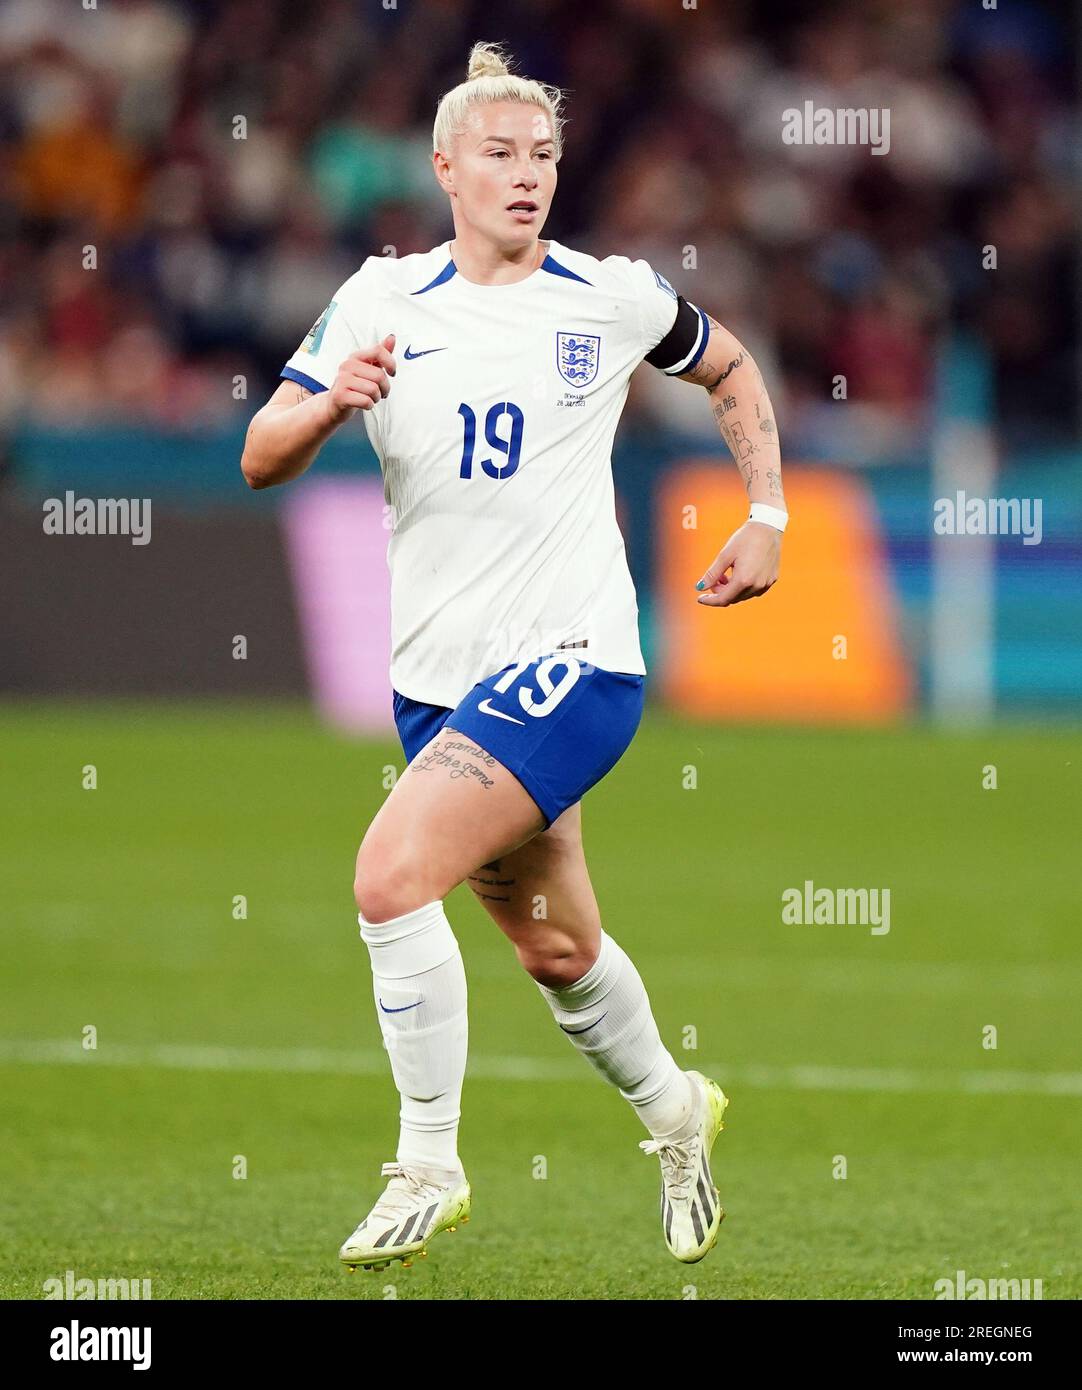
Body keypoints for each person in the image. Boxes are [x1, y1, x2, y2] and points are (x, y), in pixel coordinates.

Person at [240, 40, 786, 1270]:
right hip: (437, 681)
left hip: (575, 661)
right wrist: (331, 402)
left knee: (388, 879)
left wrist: (765, 514)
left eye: (542, 154)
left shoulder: (606, 293)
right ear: (443, 166)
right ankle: (676, 1111)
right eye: (499, 154)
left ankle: (425, 1161)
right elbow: (259, 454)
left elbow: (731, 366)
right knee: (556, 948)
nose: (526, 174)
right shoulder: (379, 299)